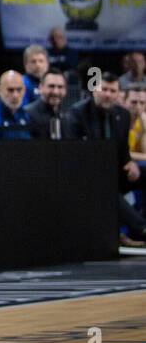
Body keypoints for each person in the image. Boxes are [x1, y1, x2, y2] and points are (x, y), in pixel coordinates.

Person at [64, 73, 146, 247]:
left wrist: (130, 162)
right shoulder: (77, 114)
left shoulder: (122, 115)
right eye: (104, 89)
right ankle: (142, 228)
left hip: (116, 171)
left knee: (143, 170)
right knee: (105, 187)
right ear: (94, 90)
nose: (108, 94)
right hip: (87, 178)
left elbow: (123, 148)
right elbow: (72, 154)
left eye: (112, 90)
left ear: (118, 94)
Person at [25, 69, 69, 140]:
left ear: (65, 90)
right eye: (51, 86)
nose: (55, 92)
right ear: (40, 87)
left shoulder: (69, 114)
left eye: (60, 87)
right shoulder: (28, 114)